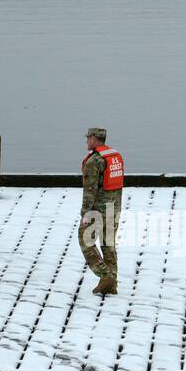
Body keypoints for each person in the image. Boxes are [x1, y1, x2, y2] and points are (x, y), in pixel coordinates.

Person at [79, 126, 123, 295]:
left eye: (88, 138)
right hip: (114, 207)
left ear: (94, 139)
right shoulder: (115, 157)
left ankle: (106, 276)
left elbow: (89, 191)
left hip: (97, 211)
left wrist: (85, 213)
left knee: (85, 241)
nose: (86, 141)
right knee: (108, 244)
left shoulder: (94, 161)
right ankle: (111, 285)